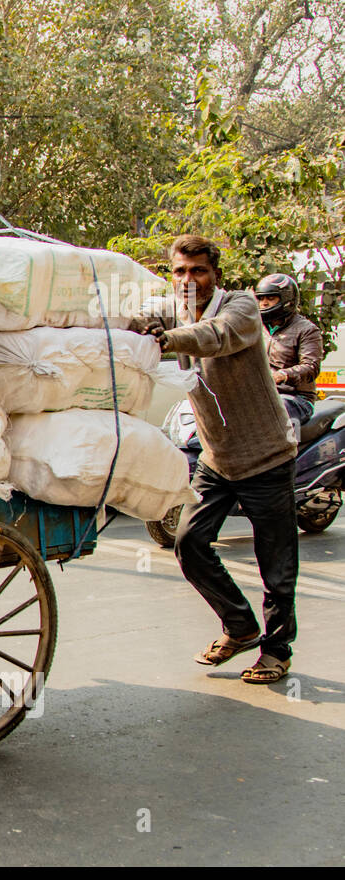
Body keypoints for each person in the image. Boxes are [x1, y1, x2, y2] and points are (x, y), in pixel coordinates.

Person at [132, 235, 299, 684]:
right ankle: (240, 627)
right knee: (188, 543)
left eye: (198, 271)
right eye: (180, 271)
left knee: (276, 566)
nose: (188, 280)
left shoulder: (240, 307)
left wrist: (164, 338)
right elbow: (138, 318)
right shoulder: (171, 309)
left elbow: (216, 337)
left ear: (215, 274)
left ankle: (276, 651)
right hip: (216, 460)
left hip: (266, 457)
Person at [254, 273, 323, 428]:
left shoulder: (307, 330)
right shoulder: (257, 328)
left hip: (296, 399)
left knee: (267, 414)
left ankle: (285, 453)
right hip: (262, 395)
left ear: (287, 300)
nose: (264, 303)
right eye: (261, 298)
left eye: (271, 298)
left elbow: (311, 367)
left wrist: (282, 375)